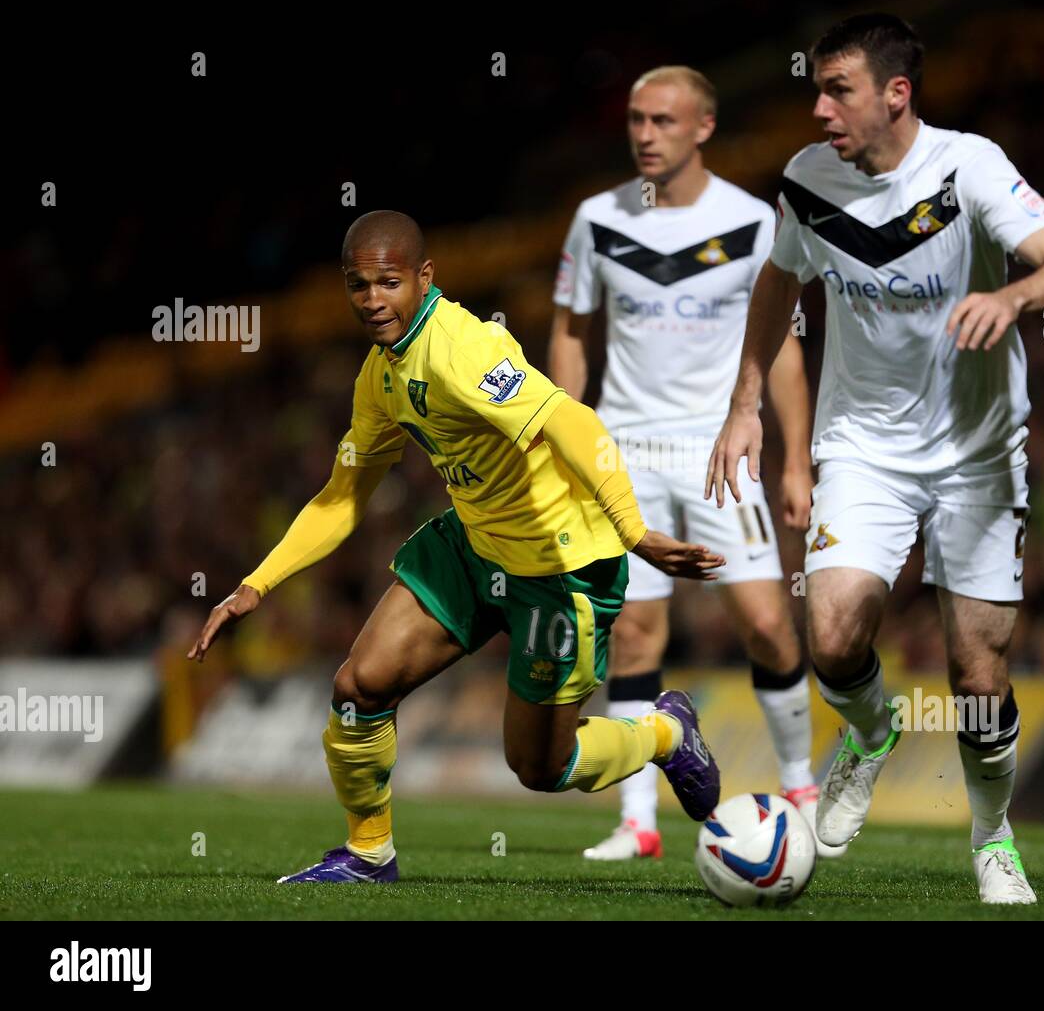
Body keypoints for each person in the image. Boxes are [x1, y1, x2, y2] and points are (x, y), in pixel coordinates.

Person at [188, 210, 724, 882]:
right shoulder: (381, 376)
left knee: (540, 767)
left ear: (423, 278)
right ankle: (368, 854)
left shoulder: (463, 350)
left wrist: (634, 531)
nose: (373, 301)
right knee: (359, 685)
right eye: (359, 286)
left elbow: (569, 419)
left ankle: (666, 735)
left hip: (563, 568)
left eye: (388, 282)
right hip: (476, 545)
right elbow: (344, 494)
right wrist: (255, 585)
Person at [707, 15, 1044, 903]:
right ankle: (873, 734)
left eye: (837, 90)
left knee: (977, 675)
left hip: (977, 457)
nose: (818, 109)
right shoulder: (809, 182)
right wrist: (746, 410)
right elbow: (779, 279)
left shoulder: (970, 167)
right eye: (815, 88)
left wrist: (1013, 293)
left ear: (897, 93)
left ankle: (992, 836)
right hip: (863, 448)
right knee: (835, 634)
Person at [550, 66, 833, 860]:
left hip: (718, 448)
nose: (645, 134)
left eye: (663, 121)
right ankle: (638, 821)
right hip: (624, 454)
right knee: (635, 633)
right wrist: (568, 437)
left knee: (769, 622)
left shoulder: (751, 223)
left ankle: (800, 787)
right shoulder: (596, 219)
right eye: (636, 119)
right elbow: (572, 330)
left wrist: (794, 460)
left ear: (704, 127)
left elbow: (780, 350)